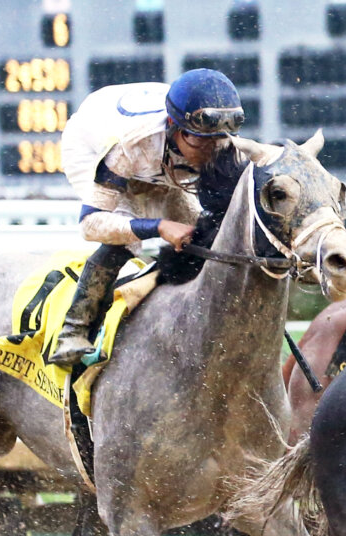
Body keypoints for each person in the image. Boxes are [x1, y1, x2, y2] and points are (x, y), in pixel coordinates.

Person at [48, 68, 245, 366]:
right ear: (173, 126)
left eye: (217, 141)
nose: (210, 153)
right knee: (124, 241)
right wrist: (159, 227)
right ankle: (73, 330)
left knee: (200, 234)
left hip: (160, 161)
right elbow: (90, 225)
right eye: (201, 141)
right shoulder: (130, 145)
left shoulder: (217, 142)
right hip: (91, 147)